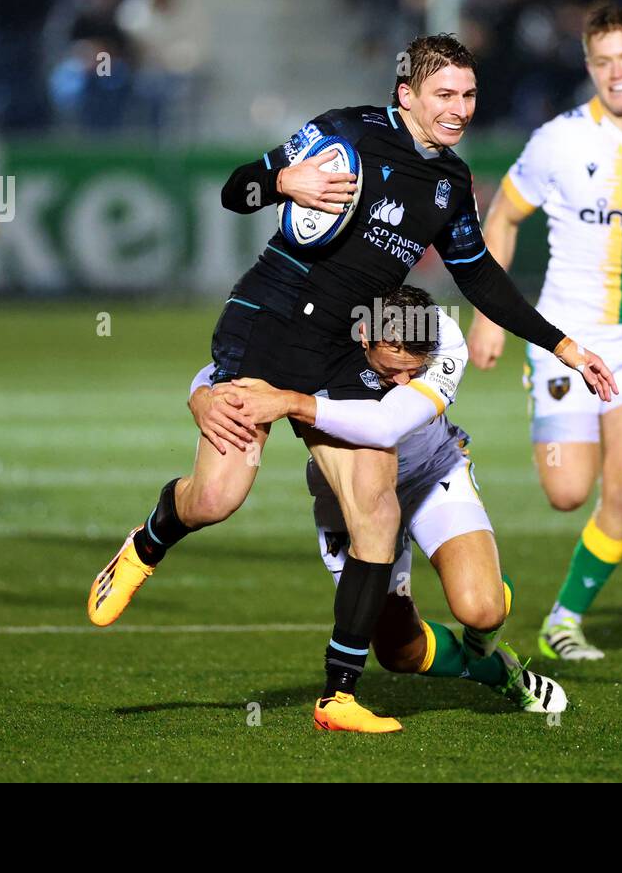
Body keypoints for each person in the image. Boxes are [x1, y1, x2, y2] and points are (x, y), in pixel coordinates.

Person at [88, 34, 615, 732]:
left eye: (468, 95)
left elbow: (479, 274)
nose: (459, 109)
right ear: (408, 95)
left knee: (378, 510)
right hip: (267, 326)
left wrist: (562, 343)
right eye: (445, 95)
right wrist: (281, 181)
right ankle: (148, 542)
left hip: (341, 350)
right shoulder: (344, 134)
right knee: (217, 498)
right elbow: (235, 187)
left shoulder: (450, 183)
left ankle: (337, 695)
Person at [467, 2, 622, 661]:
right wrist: (489, 315)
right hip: (564, 336)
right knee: (566, 492)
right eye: (604, 61)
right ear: (590, 66)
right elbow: (500, 219)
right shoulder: (559, 140)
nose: (618, 73)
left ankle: (564, 622)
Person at [193, 286, 567, 719]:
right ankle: (491, 669)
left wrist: (293, 402)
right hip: (350, 497)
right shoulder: (321, 333)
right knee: (399, 653)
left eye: (415, 370)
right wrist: (202, 396)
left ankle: (490, 641)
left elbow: (386, 426)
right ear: (365, 334)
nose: (405, 382)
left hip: (431, 473)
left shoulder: (443, 338)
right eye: (393, 369)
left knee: (482, 611)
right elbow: (229, 364)